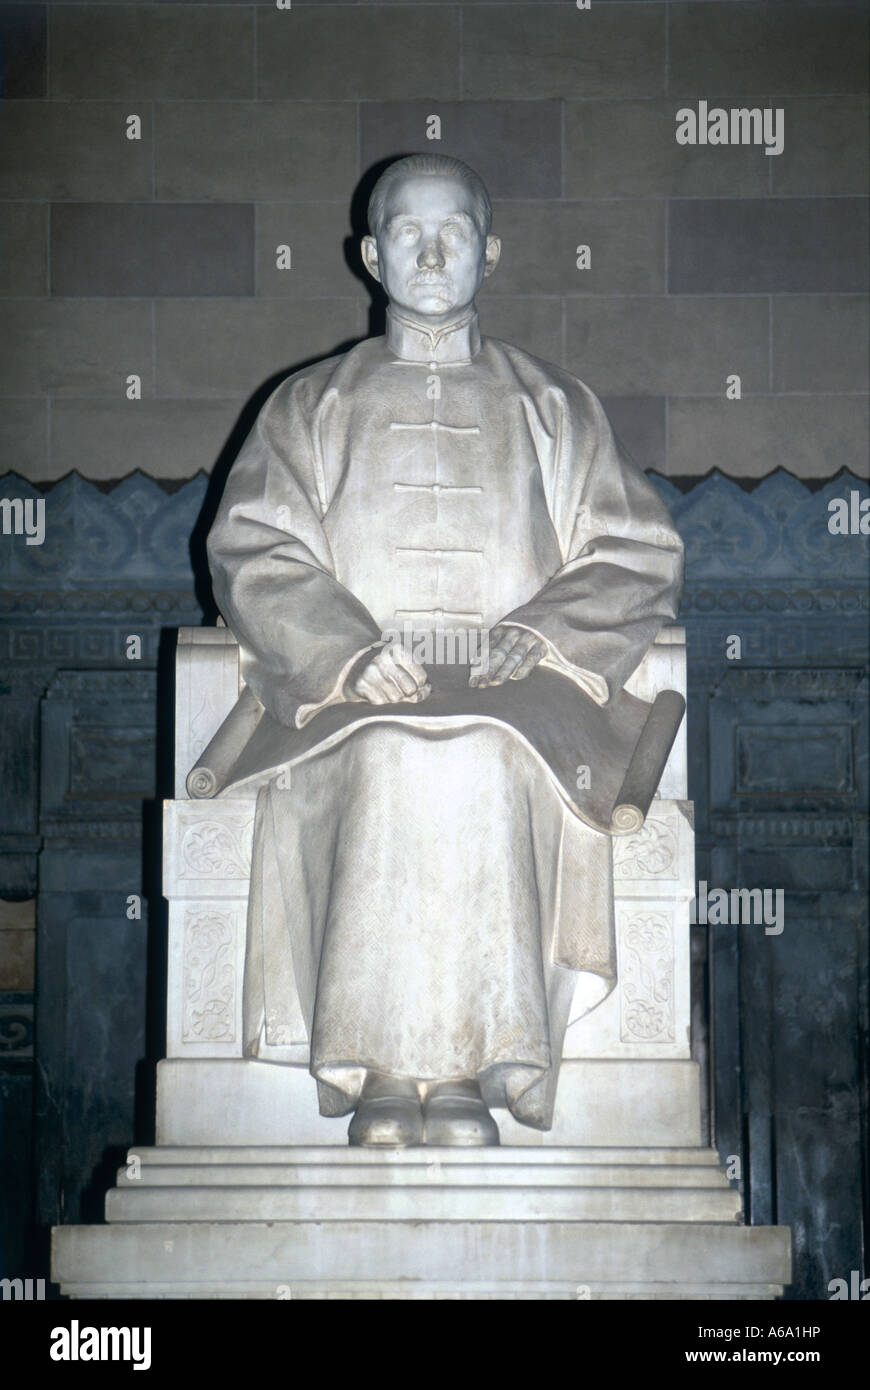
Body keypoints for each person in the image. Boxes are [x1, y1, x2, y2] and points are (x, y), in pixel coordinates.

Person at [206, 154, 684, 1147]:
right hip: (351, 692)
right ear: (370, 254)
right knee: (390, 753)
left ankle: (472, 1067)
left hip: (524, 692)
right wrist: (339, 650)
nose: (430, 252)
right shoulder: (308, 406)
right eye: (407, 234)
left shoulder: (551, 404)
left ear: (491, 250)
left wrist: (545, 634)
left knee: (479, 754)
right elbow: (251, 545)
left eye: (455, 231)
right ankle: (384, 1070)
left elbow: (640, 549)